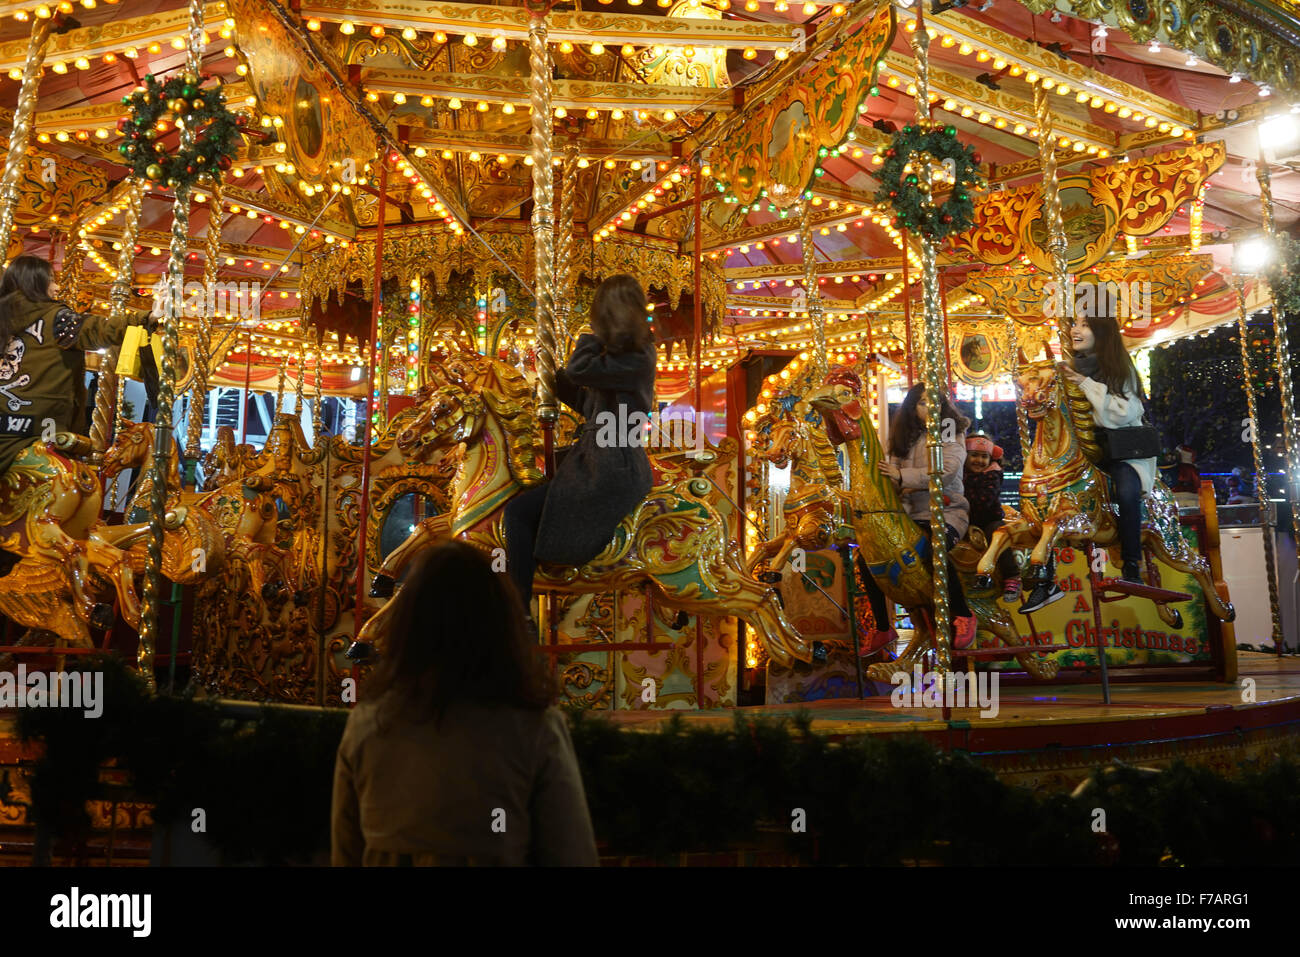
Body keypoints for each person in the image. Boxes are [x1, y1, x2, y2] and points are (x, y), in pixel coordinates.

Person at [331, 541, 599, 866]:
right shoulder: (535, 728)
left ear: (408, 625)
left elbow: (346, 852)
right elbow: (570, 853)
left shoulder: (367, 725)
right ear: (501, 623)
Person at [504, 275, 657, 617]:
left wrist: (587, 338)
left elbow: (581, 368)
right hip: (601, 458)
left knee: (518, 512)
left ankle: (518, 612)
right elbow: (586, 401)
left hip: (611, 466)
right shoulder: (622, 360)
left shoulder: (638, 356)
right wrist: (549, 379)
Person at [0, 254, 153, 474]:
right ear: (36, 283)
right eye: (51, 280)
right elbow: (101, 329)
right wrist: (145, 318)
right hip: (41, 429)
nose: (56, 287)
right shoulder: (56, 318)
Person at [858, 382, 978, 654]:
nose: (930, 408)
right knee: (865, 557)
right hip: (909, 514)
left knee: (933, 546)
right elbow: (891, 479)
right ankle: (882, 626)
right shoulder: (904, 438)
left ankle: (963, 614)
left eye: (935, 402)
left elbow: (946, 470)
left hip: (946, 511)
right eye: (923, 403)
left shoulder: (950, 431)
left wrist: (901, 476)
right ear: (912, 408)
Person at [1059, 309, 1156, 589]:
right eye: (1075, 324)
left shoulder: (1120, 369)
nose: (1075, 330)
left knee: (1126, 491)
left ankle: (1132, 563)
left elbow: (1120, 414)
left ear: (1101, 333)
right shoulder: (1072, 368)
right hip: (1089, 450)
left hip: (1122, 451)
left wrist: (1086, 384)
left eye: (1085, 326)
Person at [964, 431, 1021, 601]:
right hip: (965, 519)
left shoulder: (992, 474)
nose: (979, 460)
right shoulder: (959, 473)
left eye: (984, 457)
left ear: (992, 459)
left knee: (997, 536)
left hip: (988, 518)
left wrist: (958, 498)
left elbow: (985, 499)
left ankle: (1012, 575)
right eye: (974, 455)